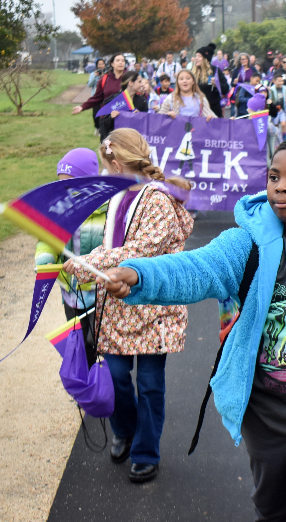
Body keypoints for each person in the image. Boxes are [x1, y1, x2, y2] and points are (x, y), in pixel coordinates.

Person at [96, 135, 286, 522]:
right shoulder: (249, 240)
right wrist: (140, 274)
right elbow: (198, 268)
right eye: (274, 176)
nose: (281, 186)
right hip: (265, 417)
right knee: (271, 517)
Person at [63, 128, 193, 484]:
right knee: (117, 376)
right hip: (116, 303)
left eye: (107, 166)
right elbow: (94, 232)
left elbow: (145, 249)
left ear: (117, 163)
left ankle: (146, 451)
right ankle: (124, 431)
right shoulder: (114, 196)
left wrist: (92, 260)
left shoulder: (157, 199)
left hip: (153, 302)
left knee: (150, 382)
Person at [36, 149, 105, 369]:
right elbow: (47, 240)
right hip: (71, 290)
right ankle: (86, 388)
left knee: (98, 341)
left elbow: (111, 246)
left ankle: (102, 384)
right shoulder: (59, 211)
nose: (66, 189)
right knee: (78, 343)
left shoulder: (106, 210)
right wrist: (45, 260)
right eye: (61, 184)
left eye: (71, 183)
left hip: (99, 291)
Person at [76, 54, 126, 133]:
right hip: (106, 118)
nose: (121, 63)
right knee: (106, 144)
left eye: (123, 61)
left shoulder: (130, 78)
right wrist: (82, 107)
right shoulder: (105, 78)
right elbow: (97, 97)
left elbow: (138, 96)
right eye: (118, 60)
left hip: (125, 119)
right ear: (112, 63)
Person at [97, 71, 148, 142]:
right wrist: (111, 117)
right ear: (130, 83)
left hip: (134, 142)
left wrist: (140, 116)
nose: (142, 84)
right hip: (116, 142)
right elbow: (104, 126)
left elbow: (146, 125)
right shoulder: (114, 100)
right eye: (139, 82)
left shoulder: (142, 101)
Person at [192, 43, 229, 118]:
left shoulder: (215, 71)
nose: (196, 58)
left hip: (213, 108)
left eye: (199, 56)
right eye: (196, 56)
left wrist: (217, 84)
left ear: (206, 58)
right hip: (197, 109)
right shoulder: (193, 72)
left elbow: (226, 88)